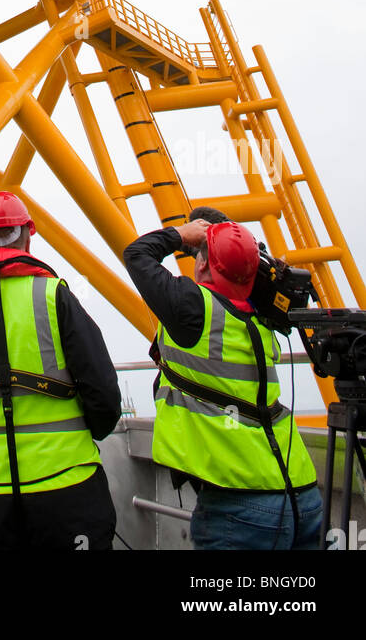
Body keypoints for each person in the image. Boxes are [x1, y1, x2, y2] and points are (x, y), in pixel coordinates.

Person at [123, 209, 323, 550]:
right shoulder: (262, 315)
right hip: (302, 494)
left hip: (239, 503)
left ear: (201, 265)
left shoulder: (192, 309)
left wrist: (182, 234)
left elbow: (137, 254)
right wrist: (220, 234)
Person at [0, 191, 121, 551]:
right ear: (28, 234)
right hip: (68, 488)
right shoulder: (54, 295)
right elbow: (103, 392)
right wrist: (88, 431)